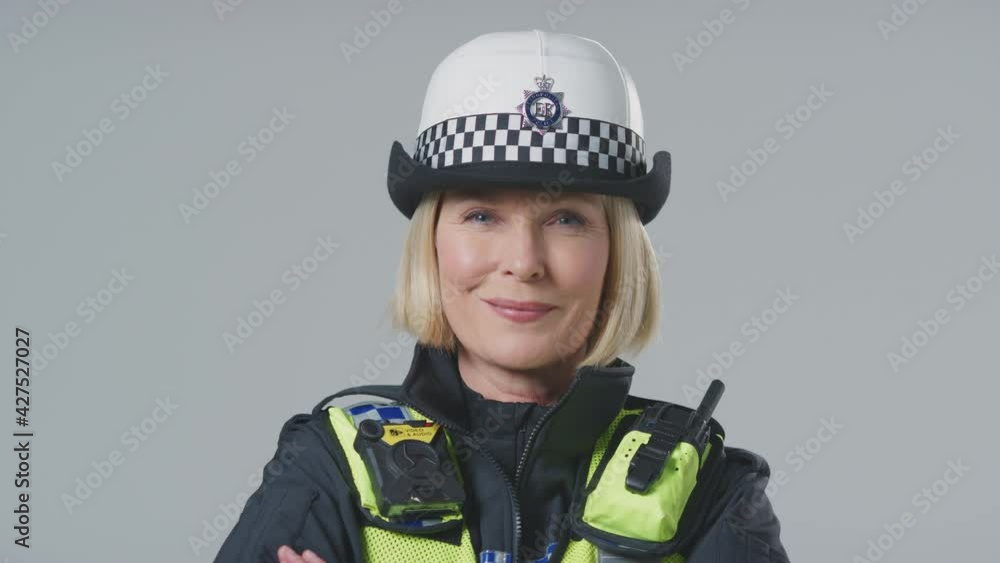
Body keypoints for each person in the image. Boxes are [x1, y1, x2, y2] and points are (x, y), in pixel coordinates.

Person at [215, 30, 790, 563]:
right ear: (431, 243)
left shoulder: (709, 490)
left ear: (619, 253)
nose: (523, 262)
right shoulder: (326, 466)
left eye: (567, 218)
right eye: (482, 214)